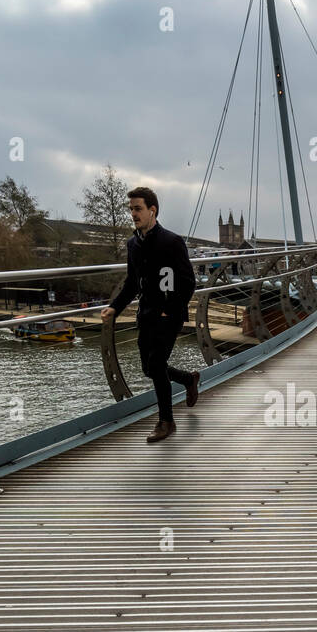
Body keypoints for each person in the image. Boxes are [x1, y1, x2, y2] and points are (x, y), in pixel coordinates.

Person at [100, 187, 199, 443]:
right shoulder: (133, 244)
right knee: (148, 368)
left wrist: (171, 308)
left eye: (138, 208)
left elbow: (188, 281)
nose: (133, 214)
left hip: (169, 315)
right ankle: (188, 379)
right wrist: (115, 306)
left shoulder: (172, 241)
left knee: (155, 365)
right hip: (146, 315)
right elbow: (132, 282)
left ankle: (166, 421)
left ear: (152, 210)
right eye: (131, 209)